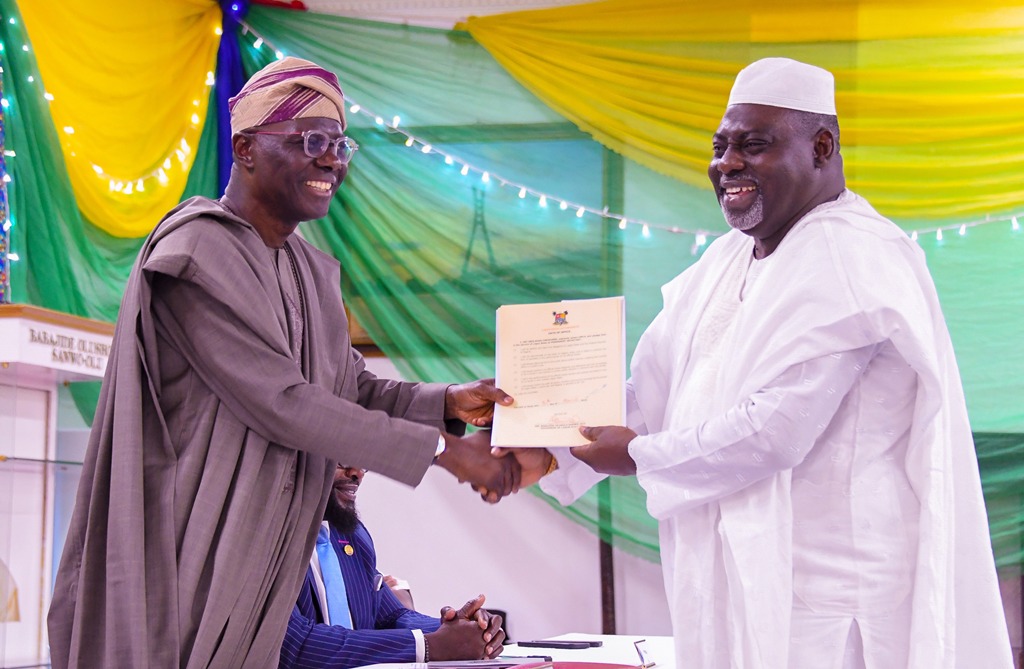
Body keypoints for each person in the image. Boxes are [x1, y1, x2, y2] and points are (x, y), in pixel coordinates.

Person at [503, 58, 1013, 667]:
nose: (727, 164)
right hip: (729, 566)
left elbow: (775, 431)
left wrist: (636, 456)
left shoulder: (853, 254)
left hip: (829, 591)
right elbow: (655, 388)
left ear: (821, 147)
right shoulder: (725, 259)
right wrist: (546, 445)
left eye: (753, 145)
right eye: (720, 147)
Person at [47, 56, 521, 669]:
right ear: (245, 148)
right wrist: (445, 452)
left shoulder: (306, 268)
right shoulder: (195, 252)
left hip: (266, 553)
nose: (332, 161)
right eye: (312, 141)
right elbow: (284, 402)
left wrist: (450, 401)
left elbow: (348, 385)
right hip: (192, 551)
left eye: (340, 146)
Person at [280, 465, 504, 668]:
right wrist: (428, 646)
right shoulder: (268, 540)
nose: (357, 473)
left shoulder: (353, 536)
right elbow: (294, 644)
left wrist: (461, 629)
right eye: (343, 460)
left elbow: (391, 617)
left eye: (363, 463)